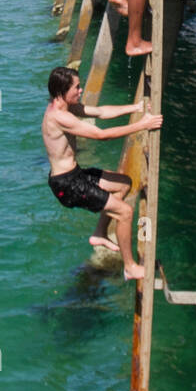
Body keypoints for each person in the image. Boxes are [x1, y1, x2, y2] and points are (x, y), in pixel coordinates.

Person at [42, 67, 163, 280]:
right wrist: (142, 125)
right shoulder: (60, 117)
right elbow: (101, 135)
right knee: (125, 212)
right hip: (67, 184)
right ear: (62, 91)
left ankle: (99, 233)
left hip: (74, 175)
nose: (80, 90)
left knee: (123, 183)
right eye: (76, 87)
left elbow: (101, 112)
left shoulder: (66, 107)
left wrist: (136, 107)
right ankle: (130, 267)